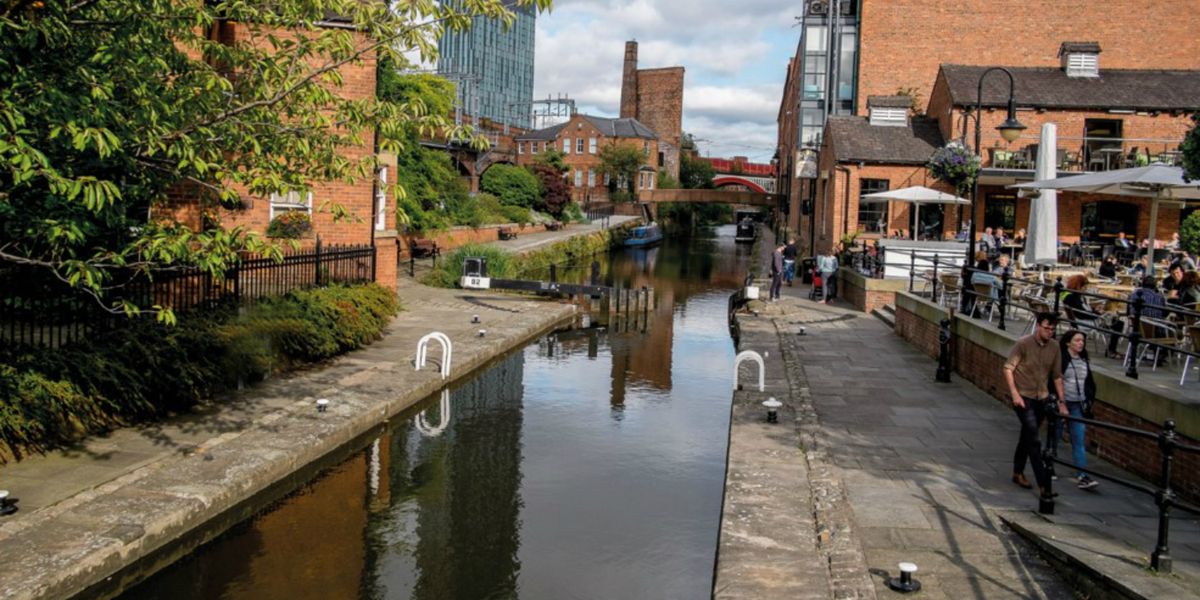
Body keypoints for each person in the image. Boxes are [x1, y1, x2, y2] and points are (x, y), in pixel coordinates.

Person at [1004, 312, 1067, 499]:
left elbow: (1056, 376)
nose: (1050, 332)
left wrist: (1062, 402)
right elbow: (1008, 368)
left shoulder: (1055, 347)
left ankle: (1017, 472)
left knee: (1027, 435)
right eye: (1047, 328)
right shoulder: (1023, 344)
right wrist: (1014, 394)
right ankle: (1044, 485)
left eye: (1053, 329)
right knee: (1034, 439)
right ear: (1038, 326)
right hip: (1023, 397)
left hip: (1042, 398)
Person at [1048, 330, 1100, 490]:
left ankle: (1082, 475)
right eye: (1077, 340)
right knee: (1054, 436)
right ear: (1068, 343)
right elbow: (1053, 380)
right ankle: (1049, 466)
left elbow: (1089, 382)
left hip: (1077, 405)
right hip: (1061, 403)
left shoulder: (1084, 361)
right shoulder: (1061, 359)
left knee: (1079, 439)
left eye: (1082, 341)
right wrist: (1058, 401)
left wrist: (1089, 399)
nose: (1081, 343)